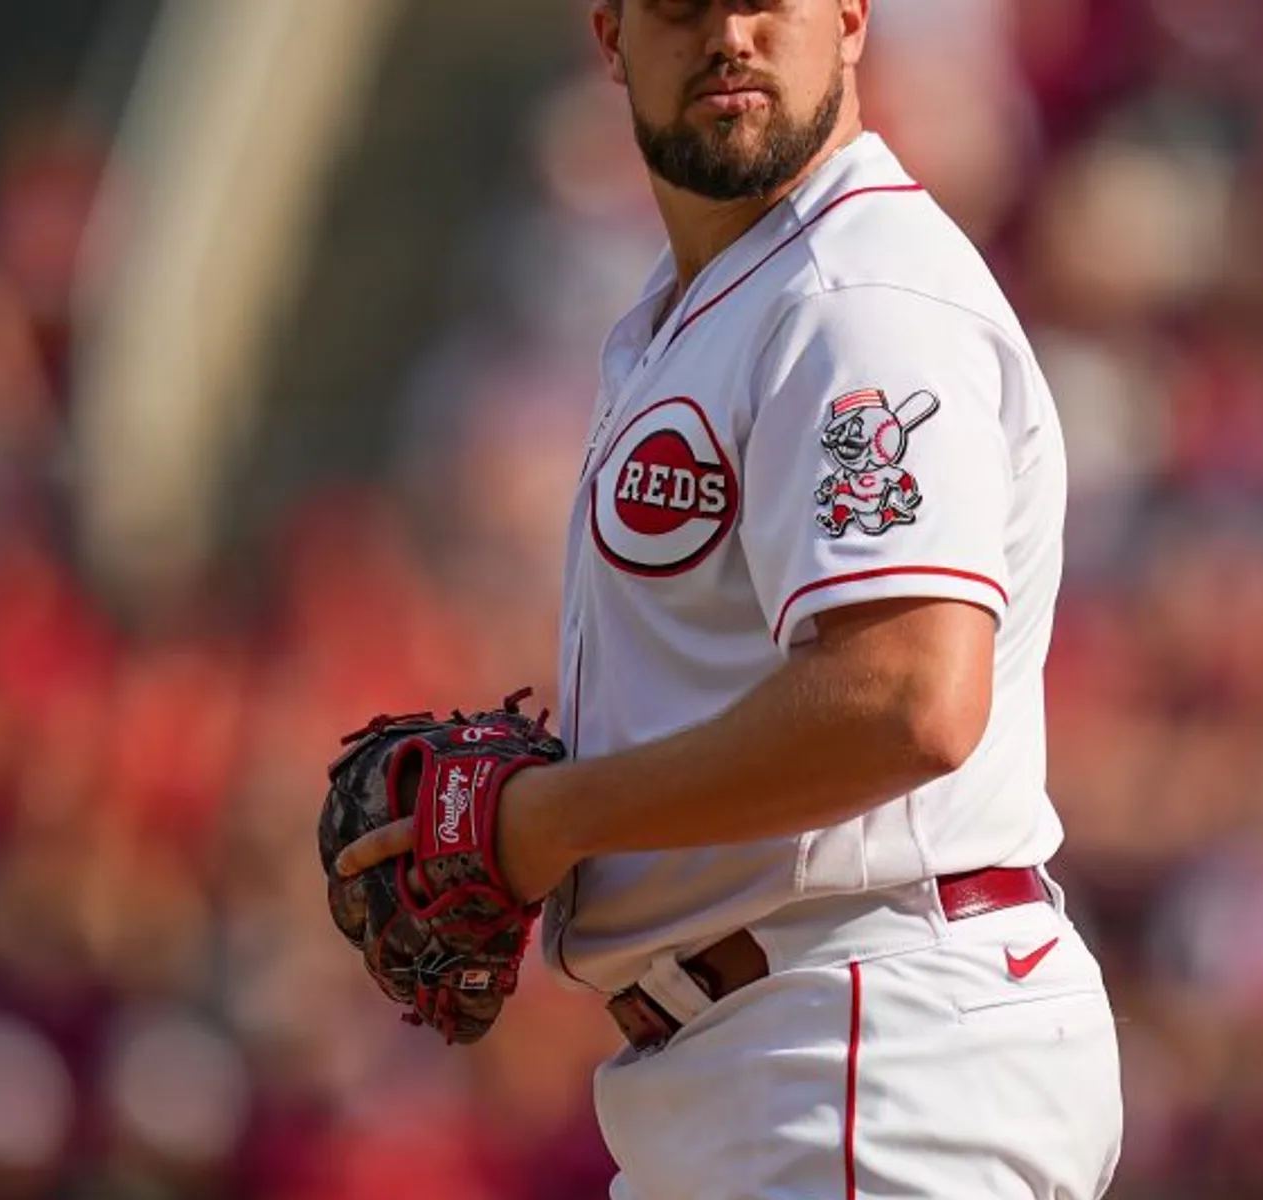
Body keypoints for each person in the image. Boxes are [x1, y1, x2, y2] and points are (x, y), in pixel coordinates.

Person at [337, 2, 1123, 1195]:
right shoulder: (721, 302)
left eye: (766, 0)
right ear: (611, 37)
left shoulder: (858, 299)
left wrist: (547, 819)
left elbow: (909, 699)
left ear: (850, 16)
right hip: (784, 1054)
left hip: (863, 1044)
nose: (730, 34)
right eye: (684, 6)